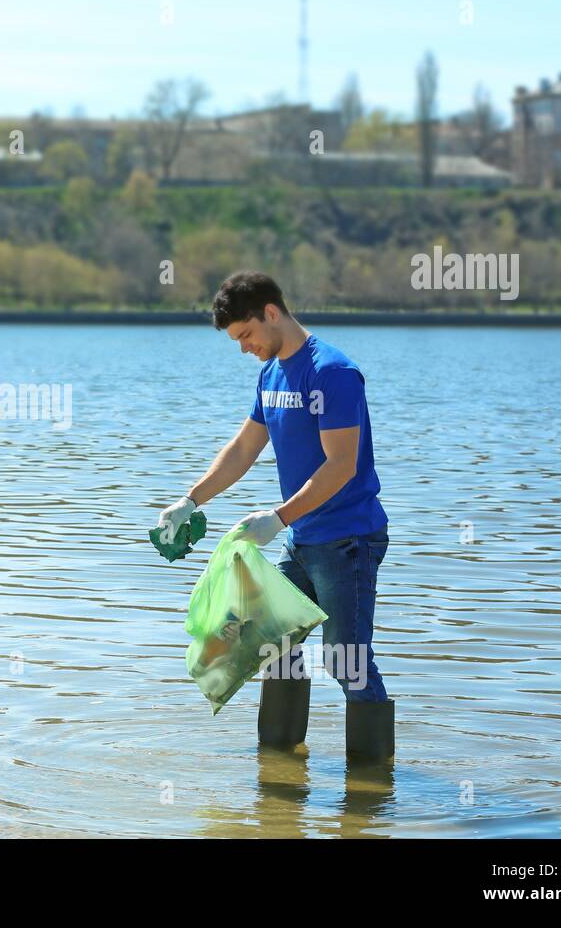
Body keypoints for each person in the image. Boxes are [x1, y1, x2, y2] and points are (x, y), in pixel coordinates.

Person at [156, 271, 393, 761]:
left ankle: (373, 781)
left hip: (348, 539)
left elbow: (341, 466)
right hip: (301, 539)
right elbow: (244, 449)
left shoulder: (333, 373)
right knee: (274, 646)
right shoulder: (271, 375)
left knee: (345, 661)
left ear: (270, 312)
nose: (244, 348)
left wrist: (278, 518)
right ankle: (281, 769)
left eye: (245, 335)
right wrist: (190, 500)